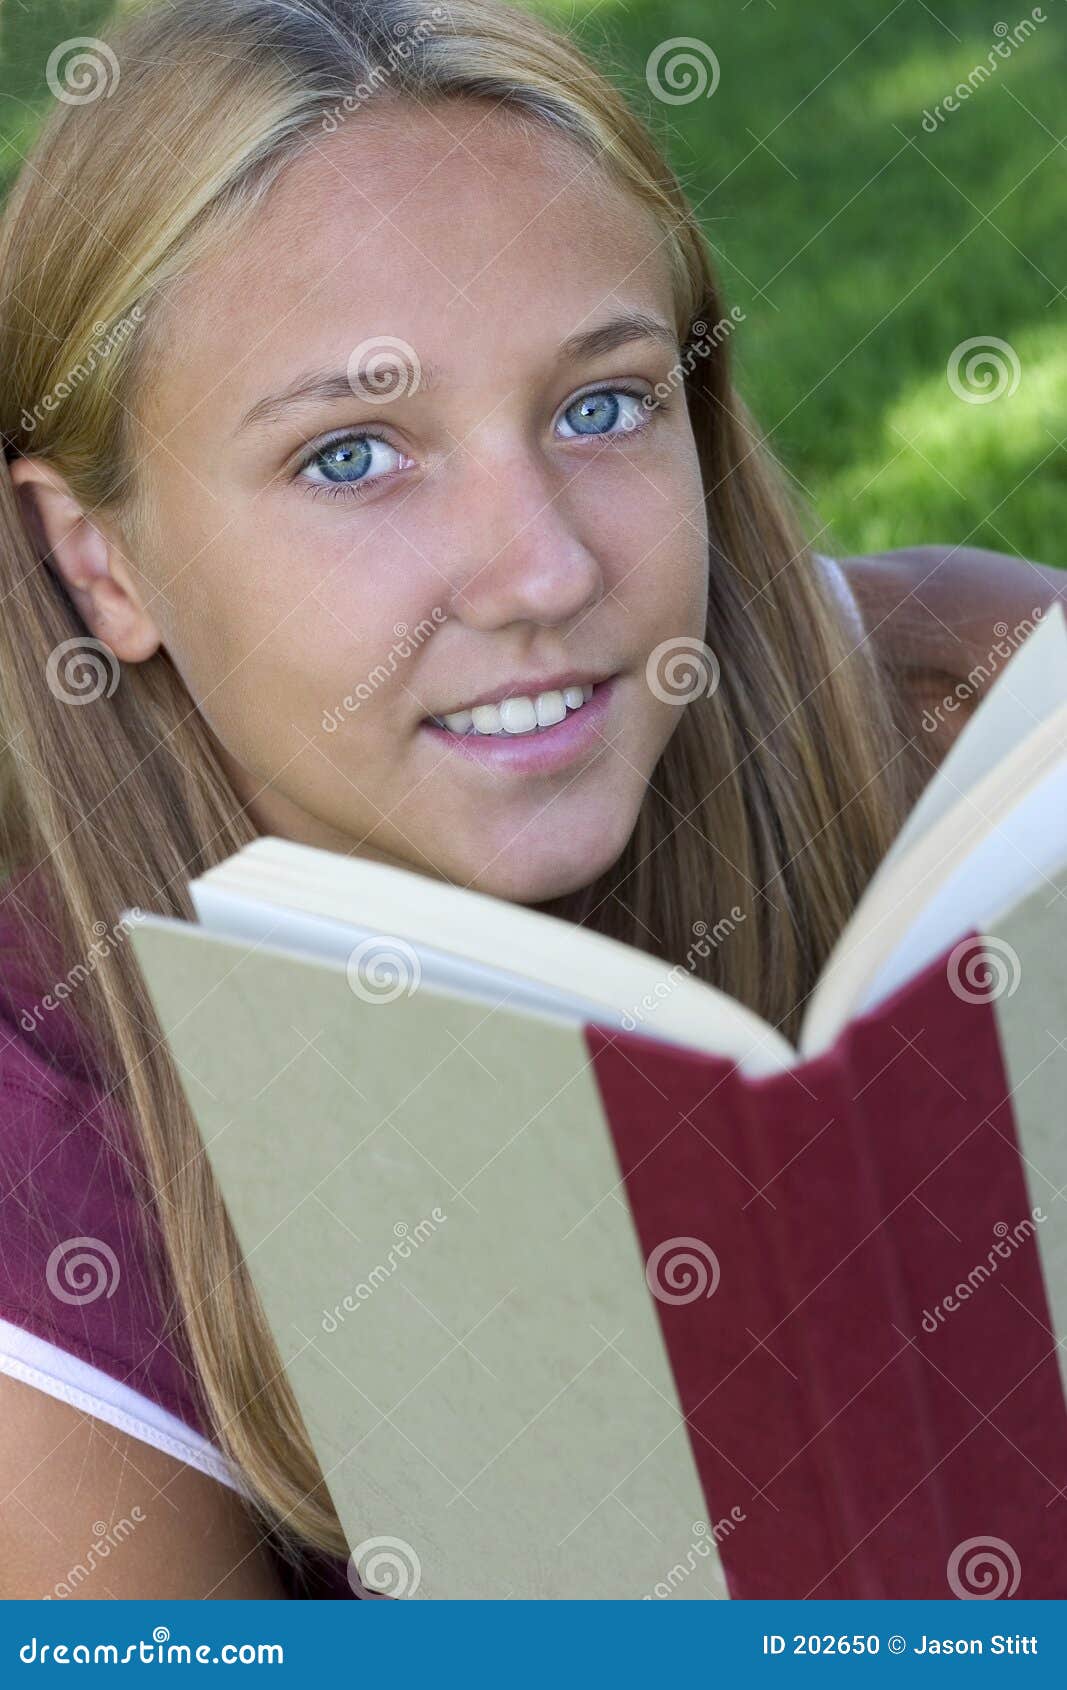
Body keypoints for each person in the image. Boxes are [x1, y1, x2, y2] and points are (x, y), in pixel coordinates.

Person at [0, 0, 1061, 1598]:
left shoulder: (968, 713)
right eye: (353, 455)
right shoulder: (45, 1130)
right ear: (102, 559)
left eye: (601, 406)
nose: (548, 570)